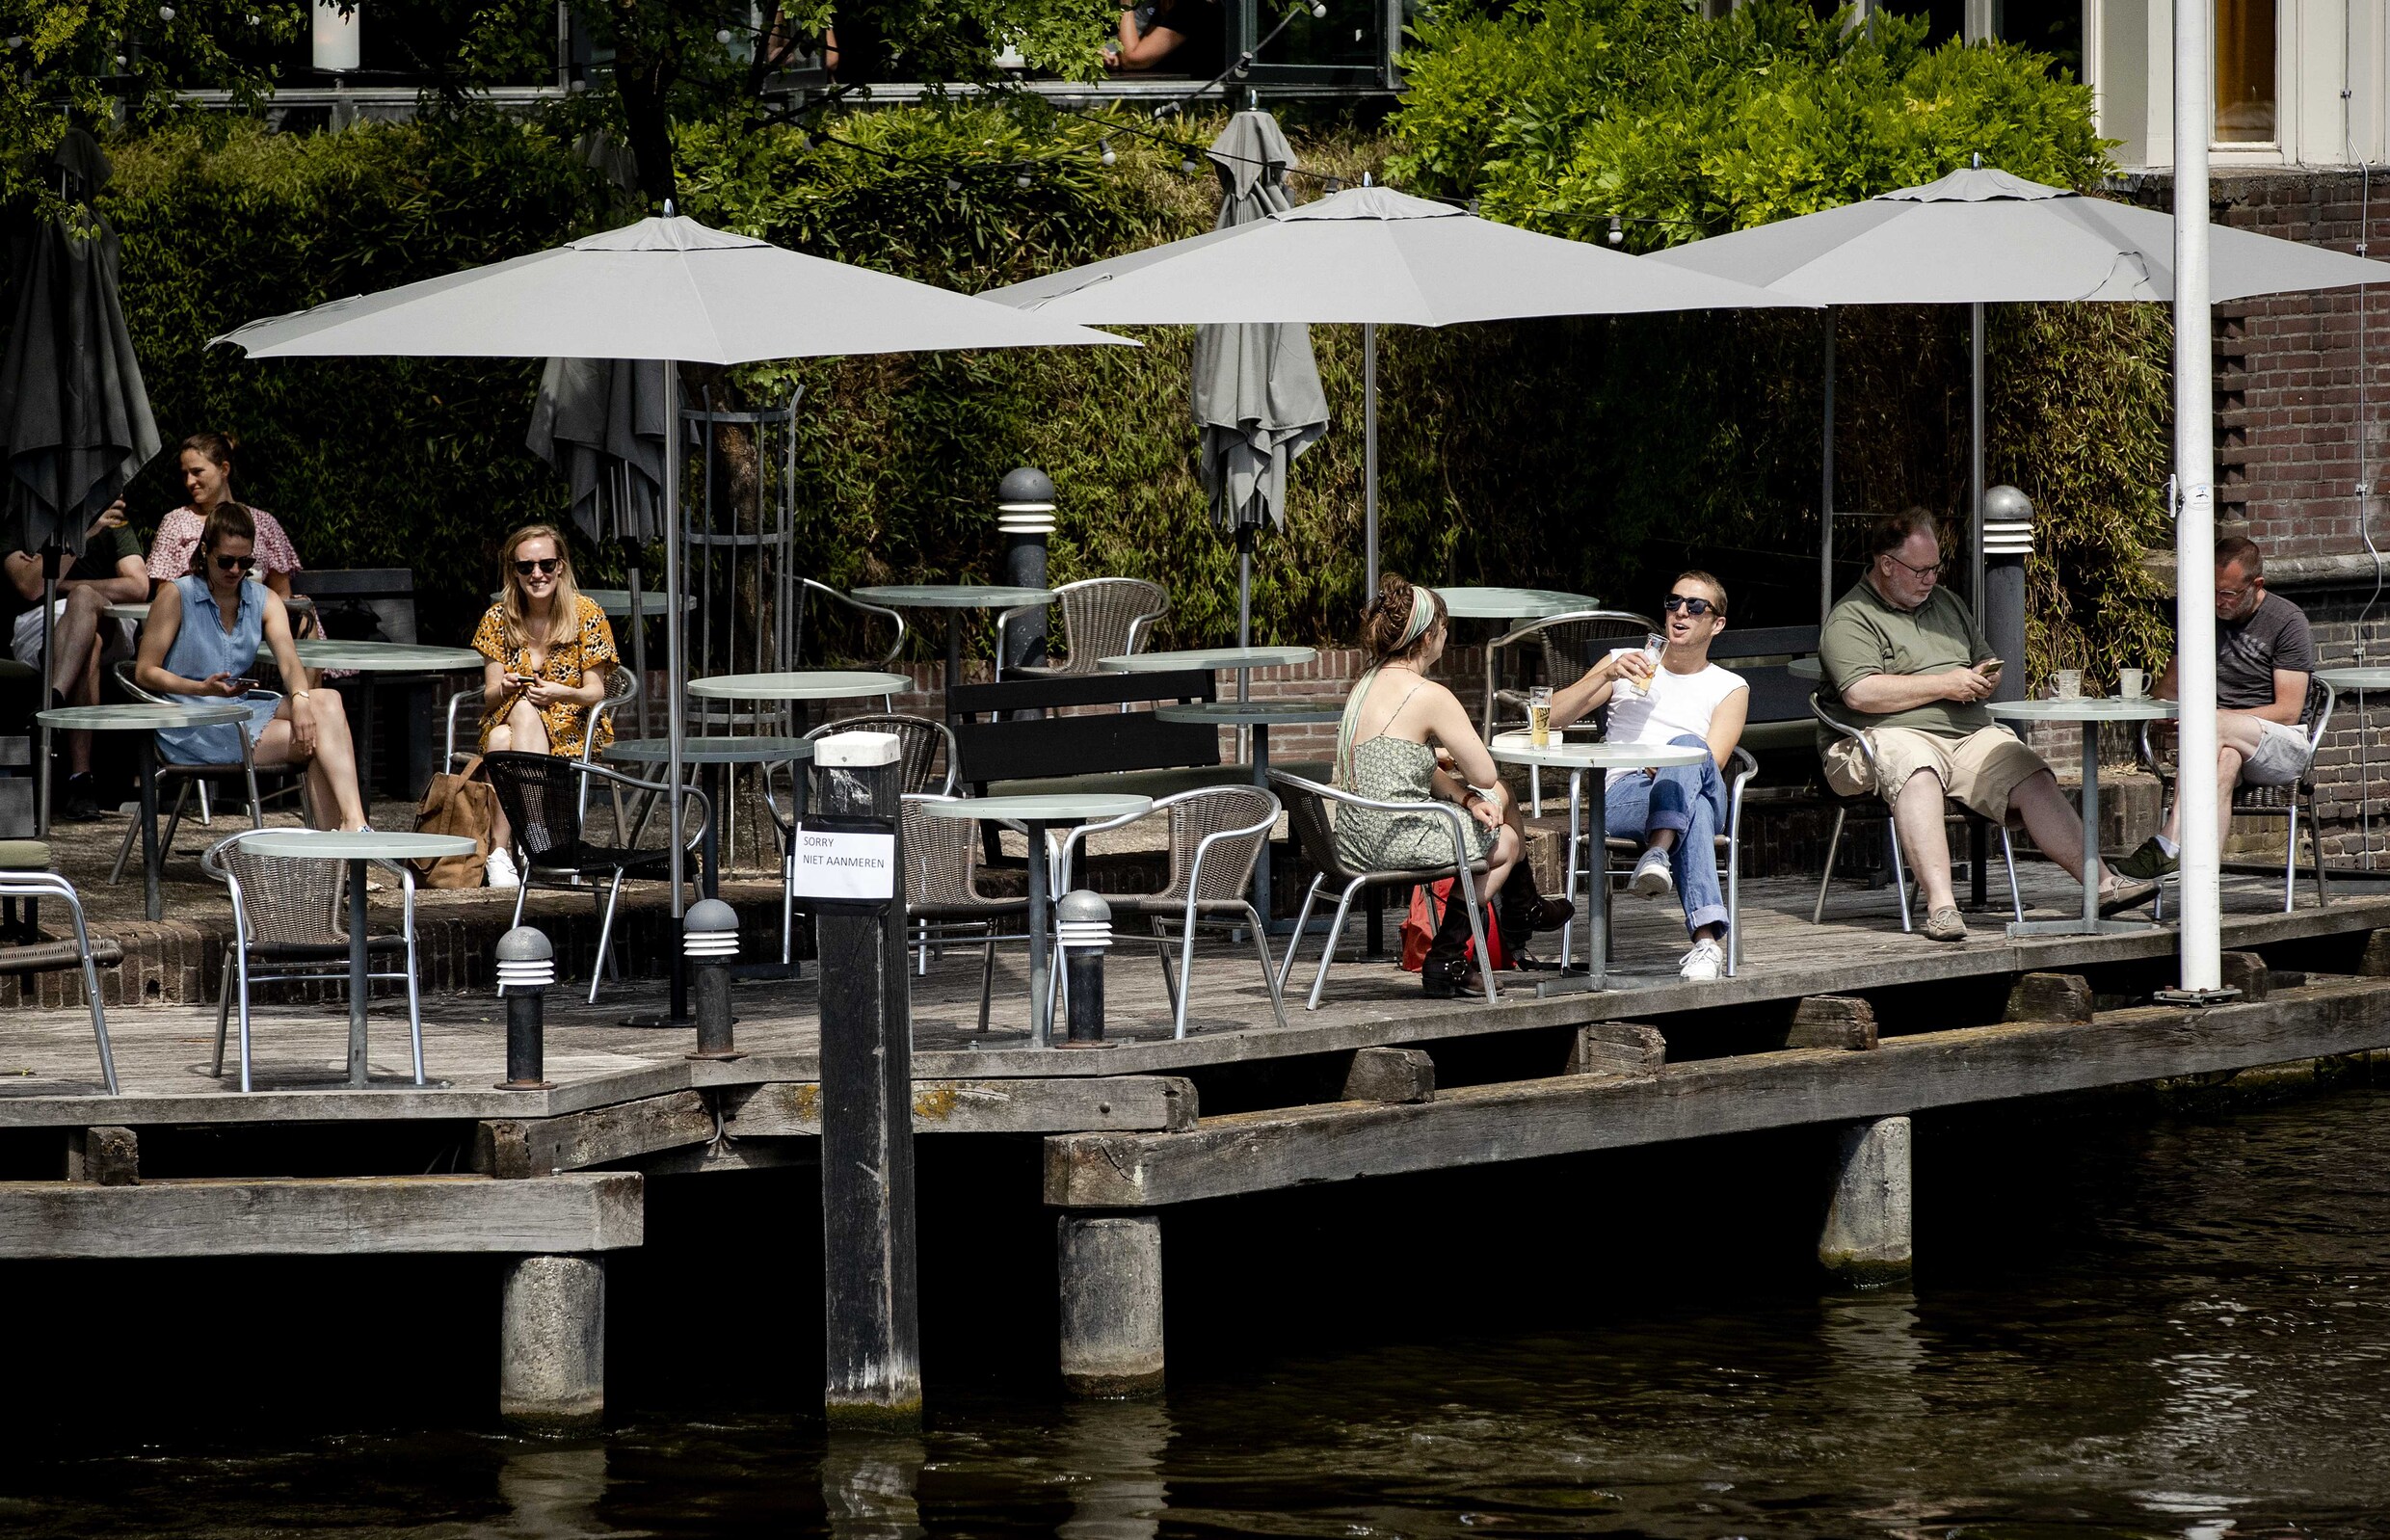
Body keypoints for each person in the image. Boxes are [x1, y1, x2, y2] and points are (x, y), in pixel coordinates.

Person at [1818, 509, 2158, 943]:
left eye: (1935, 568)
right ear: (1886, 564)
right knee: (1916, 767)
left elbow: (1982, 656)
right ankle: (1942, 907)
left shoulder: (1947, 603)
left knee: (2029, 771)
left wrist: (1984, 676)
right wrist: (1946, 683)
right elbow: (1861, 694)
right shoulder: (1851, 618)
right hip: (1880, 735)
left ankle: (2104, 885)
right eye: (1920, 570)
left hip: (1967, 734)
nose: (1930, 579)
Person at [1335, 574, 1572, 996]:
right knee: (1506, 844)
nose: (1447, 636)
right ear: (1428, 637)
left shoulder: (1363, 686)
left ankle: (1522, 909)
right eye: (1445, 629)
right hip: (1395, 837)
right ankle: (1447, 956)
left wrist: (1462, 796)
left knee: (1494, 803)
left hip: (1352, 835)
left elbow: (1406, 767)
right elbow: (1484, 774)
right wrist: (1471, 787)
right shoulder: (1429, 694)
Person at [1547, 571, 1748, 982]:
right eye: (1674, 602)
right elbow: (1551, 717)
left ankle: (1657, 852)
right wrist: (1604, 675)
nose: (1680, 612)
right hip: (1626, 793)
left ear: (1717, 624)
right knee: (1696, 817)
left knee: (1688, 749)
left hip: (1696, 782)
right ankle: (1707, 944)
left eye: (1695, 606)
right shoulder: (1627, 661)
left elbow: (1716, 758)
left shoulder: (1729, 686)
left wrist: (1674, 758)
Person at [132, 504, 366, 832]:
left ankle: (352, 825)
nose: (235, 570)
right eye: (225, 560)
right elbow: (144, 672)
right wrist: (200, 687)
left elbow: (288, 659)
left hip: (240, 711)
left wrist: (300, 700)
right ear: (205, 551)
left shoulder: (263, 598)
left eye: (246, 562)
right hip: (190, 722)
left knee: (325, 701)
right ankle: (342, 849)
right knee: (319, 740)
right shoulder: (176, 595)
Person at [2113, 536, 2316, 880]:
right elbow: (2170, 688)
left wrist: (2211, 720)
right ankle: (2205, 883)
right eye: (2213, 591)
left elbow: (2288, 711)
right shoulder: (2198, 614)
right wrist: (2160, 709)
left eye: (2229, 594)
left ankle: (2168, 842)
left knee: (2213, 727)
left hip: (2282, 744)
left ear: (2256, 585)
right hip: (2221, 743)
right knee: (2225, 761)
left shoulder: (2287, 621)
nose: (2218, 602)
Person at [469, 525, 619, 889]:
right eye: (526, 567)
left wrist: (558, 694)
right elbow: (489, 696)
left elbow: (596, 692)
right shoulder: (497, 618)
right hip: (511, 718)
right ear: (513, 572)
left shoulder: (587, 613)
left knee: (503, 738)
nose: (537, 574)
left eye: (546, 564)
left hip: (573, 727)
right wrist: (504, 687)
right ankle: (538, 839)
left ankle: (503, 850)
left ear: (561, 566)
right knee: (513, 719)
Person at [6, 498, 149, 820]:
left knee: (83, 598)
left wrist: (62, 584)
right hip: (42, 623)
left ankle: (52, 699)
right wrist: (80, 536)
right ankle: (81, 780)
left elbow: (138, 586)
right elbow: (29, 587)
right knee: (89, 645)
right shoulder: (21, 519)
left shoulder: (111, 515)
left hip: (105, 614)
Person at [146, 433, 305, 597]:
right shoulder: (175, 522)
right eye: (185, 474)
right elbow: (164, 594)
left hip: (256, 618)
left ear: (224, 469)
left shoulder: (263, 522)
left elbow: (281, 592)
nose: (189, 482)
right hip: (197, 617)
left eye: (197, 472)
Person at [1103, 0, 1222, 72]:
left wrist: (1125, 5)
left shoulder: (1191, 7)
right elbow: (1142, 48)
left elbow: (1131, 60)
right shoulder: (1166, 5)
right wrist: (1114, 58)